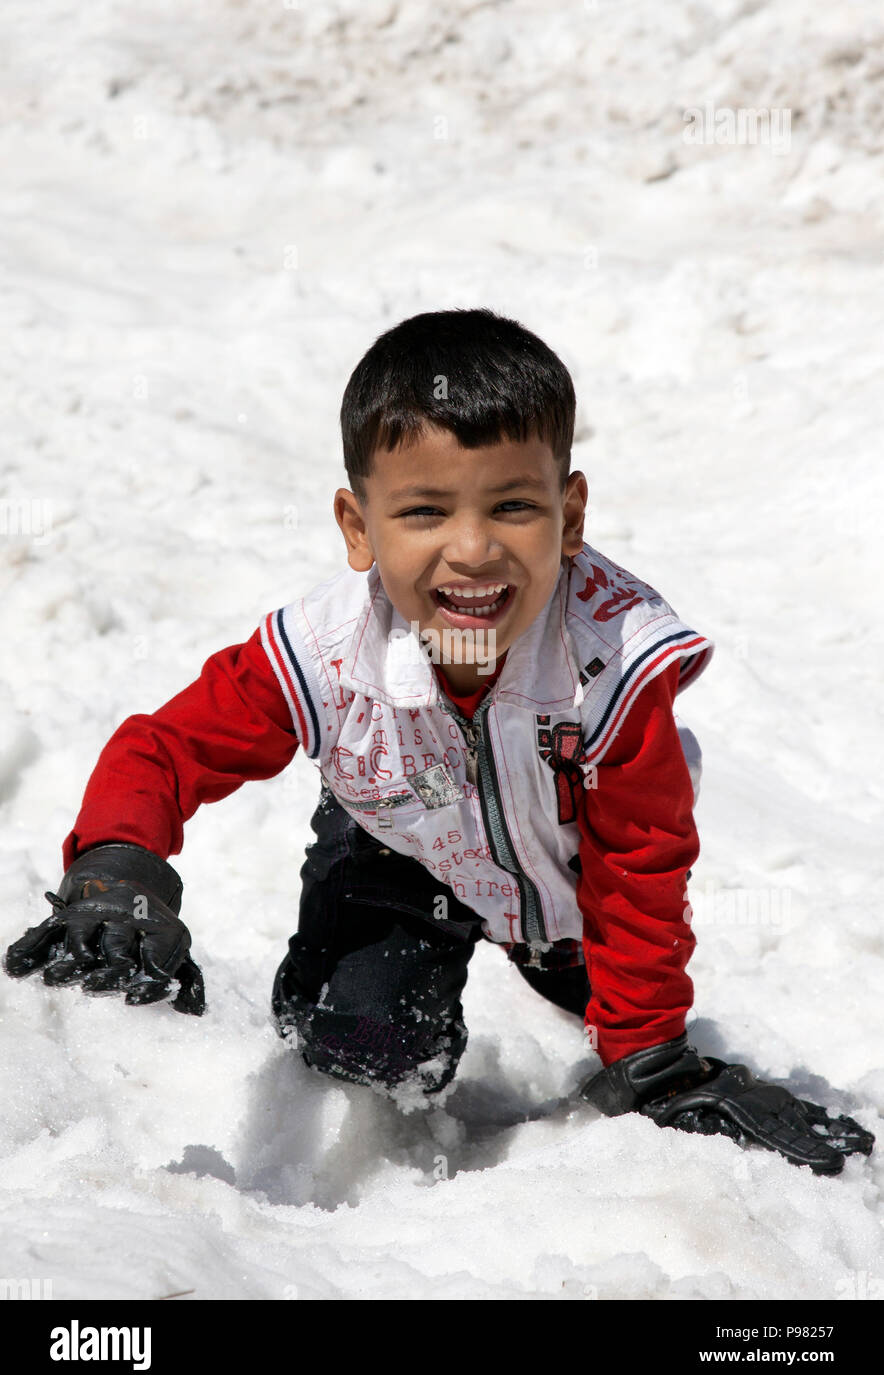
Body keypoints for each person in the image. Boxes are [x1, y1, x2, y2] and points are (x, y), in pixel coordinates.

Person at [5, 308, 873, 1177]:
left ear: (570, 518)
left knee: (616, 1016)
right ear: (358, 527)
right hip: (400, 843)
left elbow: (641, 861)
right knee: (365, 1044)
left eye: (514, 507)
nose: (472, 549)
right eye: (423, 511)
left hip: (569, 885)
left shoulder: (612, 668)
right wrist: (119, 869)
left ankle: (577, 987)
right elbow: (166, 748)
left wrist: (651, 1054)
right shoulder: (325, 652)